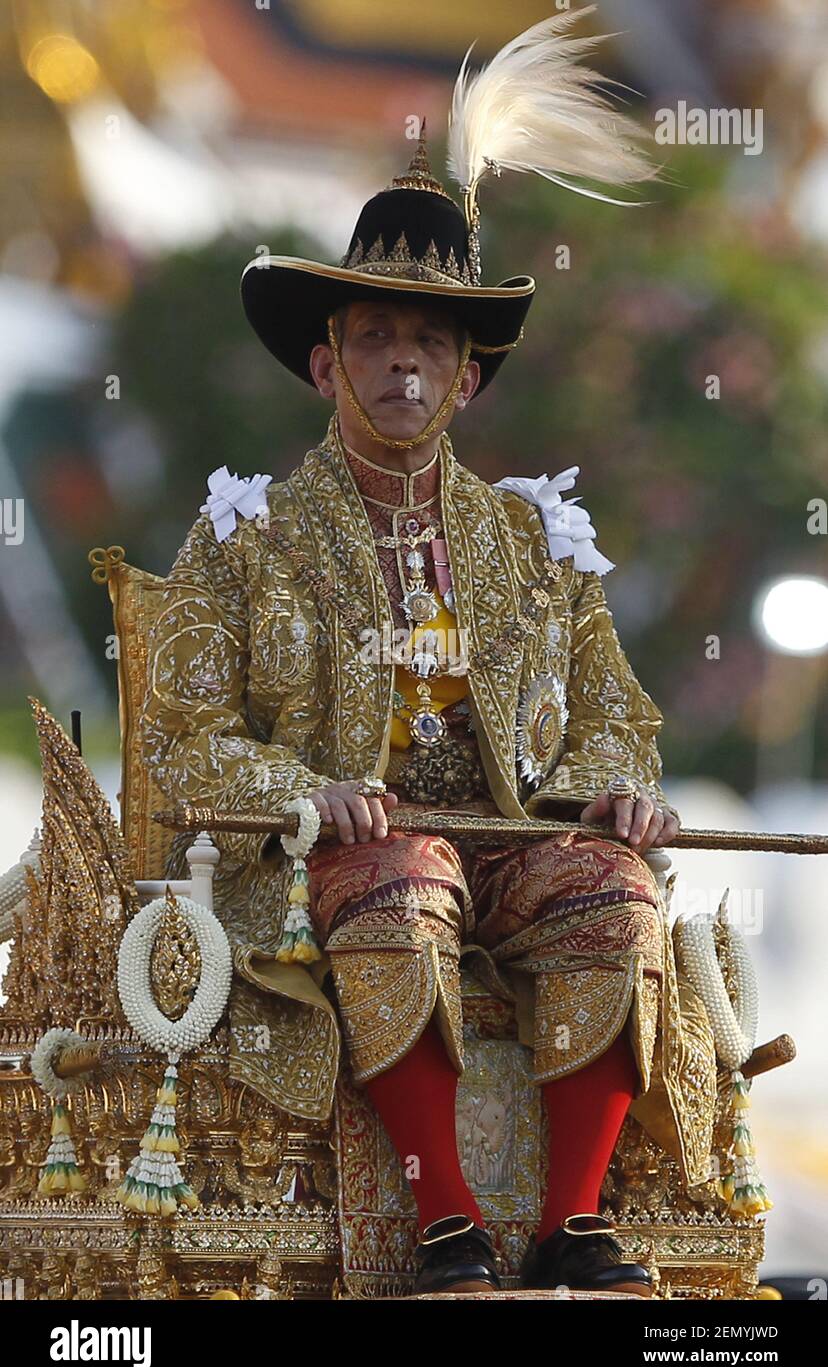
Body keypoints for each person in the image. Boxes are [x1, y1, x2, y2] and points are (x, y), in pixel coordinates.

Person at [141, 18, 717, 1297]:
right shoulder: (248, 534)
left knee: (611, 886)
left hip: (507, 842)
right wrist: (302, 790)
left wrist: (616, 790)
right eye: (375, 339)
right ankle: (447, 1224)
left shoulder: (539, 539)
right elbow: (177, 734)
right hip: (325, 864)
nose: (403, 362)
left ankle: (571, 1226)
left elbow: (615, 714)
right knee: (395, 872)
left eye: (432, 344)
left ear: (467, 379)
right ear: (323, 360)